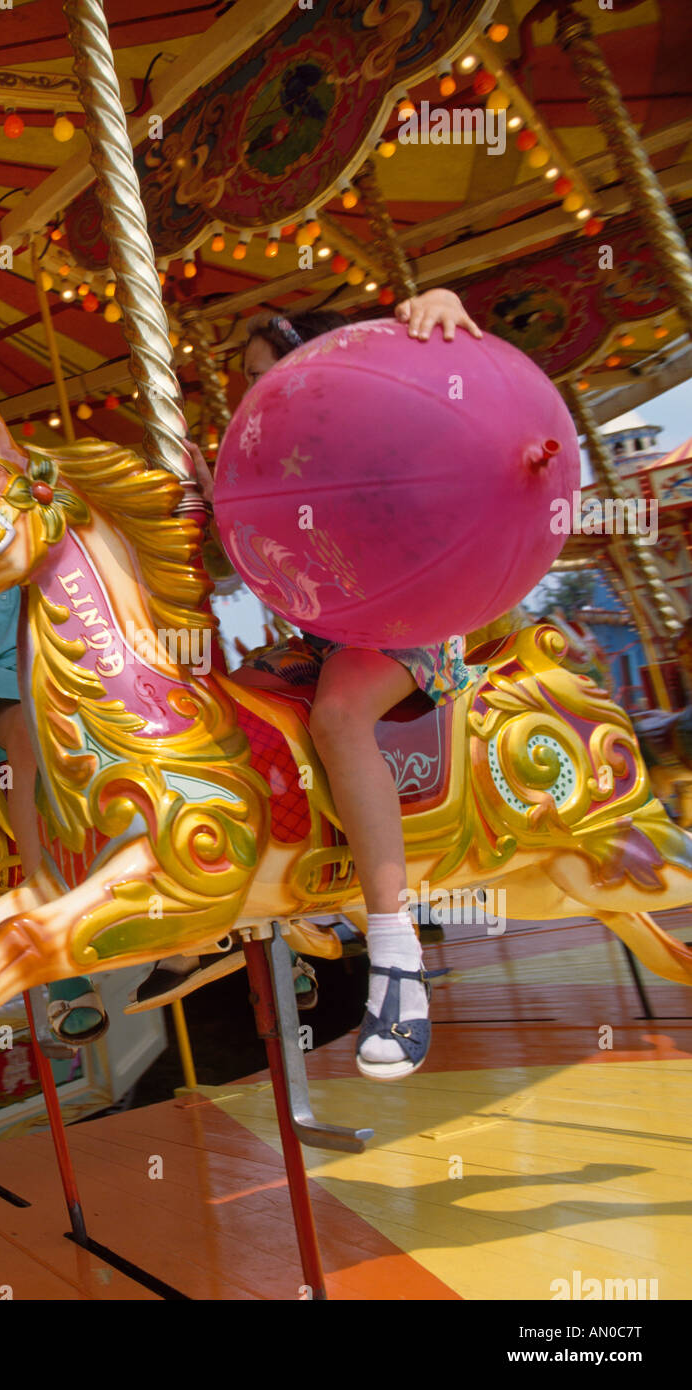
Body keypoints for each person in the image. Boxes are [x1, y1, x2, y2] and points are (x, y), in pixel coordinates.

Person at [135, 289, 484, 1079]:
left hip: (411, 620)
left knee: (336, 716)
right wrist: (207, 491)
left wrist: (437, 304)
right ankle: (232, 906)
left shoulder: (368, 419)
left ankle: (396, 959)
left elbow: (464, 400)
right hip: (328, 635)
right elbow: (246, 561)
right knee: (226, 709)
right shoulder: (273, 457)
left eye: (264, 370)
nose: (252, 388)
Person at [0, 591, 108, 1044]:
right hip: (4, 682)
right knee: (27, 728)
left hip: (83, 672)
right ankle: (43, 903)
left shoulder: (61, 533)